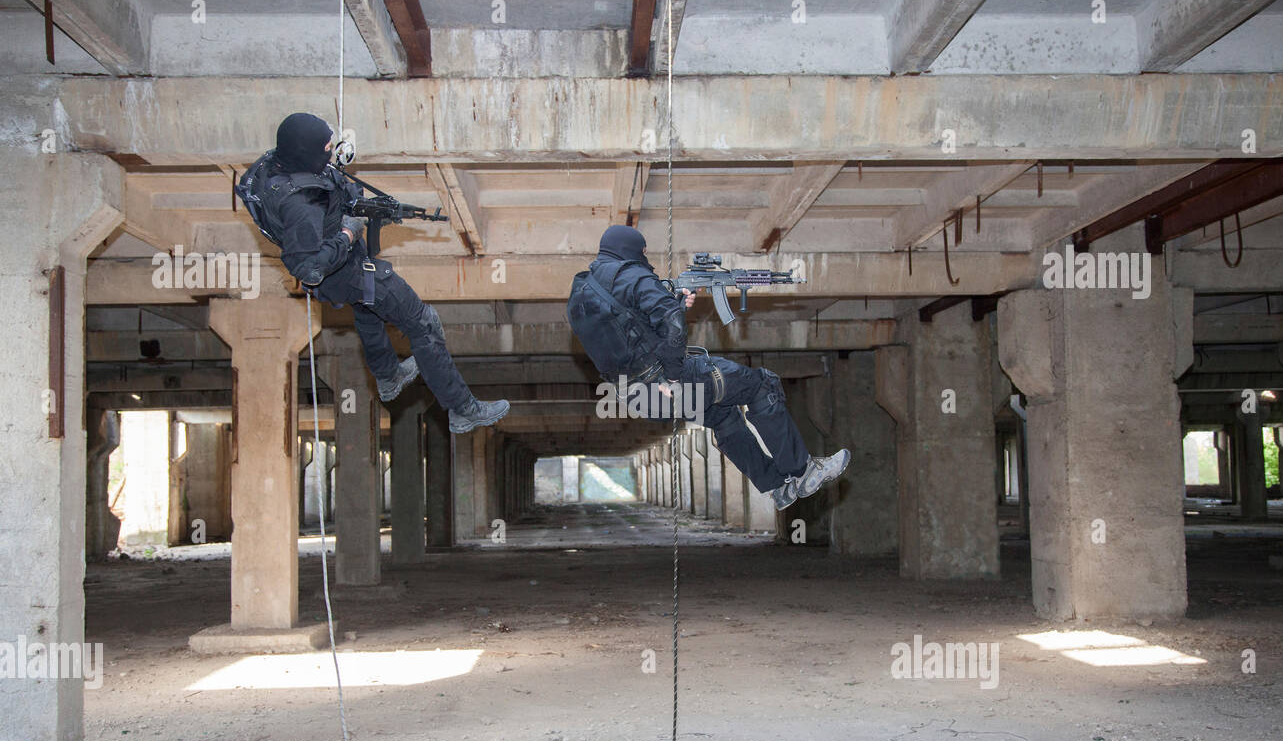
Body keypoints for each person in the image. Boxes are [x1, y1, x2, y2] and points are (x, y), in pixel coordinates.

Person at [244, 113, 508, 433]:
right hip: (343, 271)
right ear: (307, 152)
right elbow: (309, 269)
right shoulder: (300, 205)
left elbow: (323, 192)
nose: (332, 152)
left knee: (367, 307)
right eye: (326, 147)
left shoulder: (273, 166)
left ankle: (387, 376)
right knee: (422, 322)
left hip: (343, 274)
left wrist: (356, 207)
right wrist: (348, 234)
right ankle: (462, 408)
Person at [570, 225, 849, 510]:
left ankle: (777, 486)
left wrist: (675, 304)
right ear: (629, 249)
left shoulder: (582, 290)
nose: (645, 258)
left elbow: (629, 331)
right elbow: (673, 326)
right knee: (761, 384)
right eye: (642, 251)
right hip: (670, 385)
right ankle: (803, 471)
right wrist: (674, 376)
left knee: (723, 416)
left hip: (637, 397)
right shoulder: (633, 275)